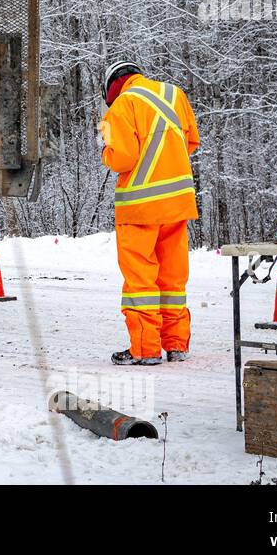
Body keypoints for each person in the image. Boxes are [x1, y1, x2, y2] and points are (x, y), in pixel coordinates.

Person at [98, 61, 200, 365]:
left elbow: (122, 159)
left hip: (139, 207)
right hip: (177, 203)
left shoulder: (118, 109)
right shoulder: (174, 94)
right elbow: (190, 140)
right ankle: (177, 344)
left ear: (110, 88)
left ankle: (145, 349)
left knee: (141, 280)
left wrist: (104, 149)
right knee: (172, 278)